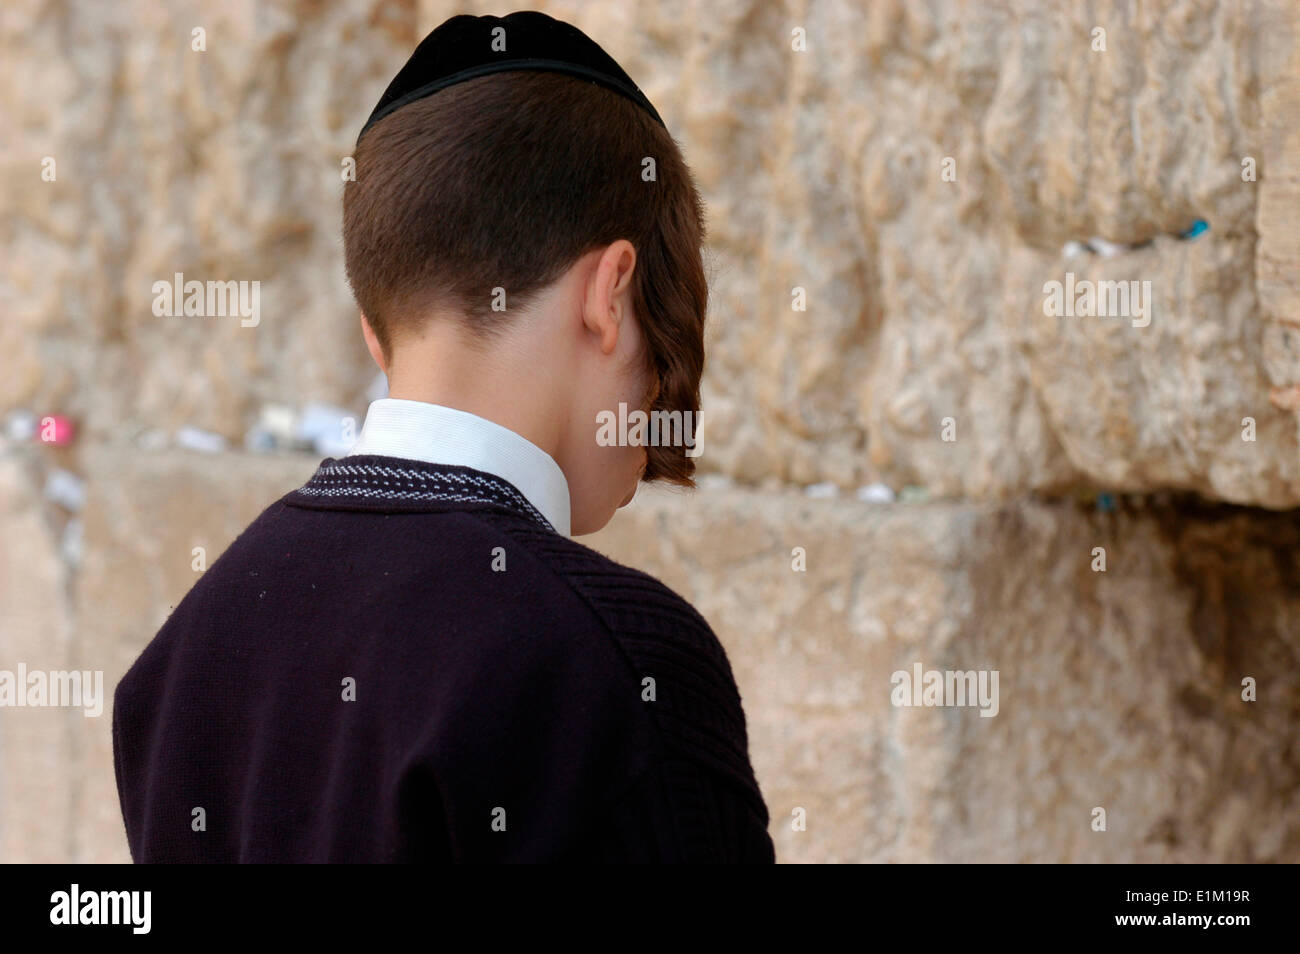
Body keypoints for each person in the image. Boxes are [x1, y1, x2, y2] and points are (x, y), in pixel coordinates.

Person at [112, 10, 775, 863]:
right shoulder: (615, 664)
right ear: (610, 294)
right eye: (669, 324)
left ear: (373, 329)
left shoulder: (187, 654)